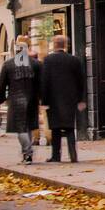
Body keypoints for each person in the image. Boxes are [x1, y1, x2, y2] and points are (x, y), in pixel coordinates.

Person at [39, 35, 84, 163]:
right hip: (70, 99)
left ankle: (56, 155)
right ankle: (73, 155)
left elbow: (45, 82)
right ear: (65, 45)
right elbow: (80, 81)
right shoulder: (74, 60)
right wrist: (80, 99)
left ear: (54, 45)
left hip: (53, 100)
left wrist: (44, 101)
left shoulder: (48, 60)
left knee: (55, 129)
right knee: (69, 128)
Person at [0, 39, 42, 163]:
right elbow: (41, 83)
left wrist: (1, 99)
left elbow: (0, 85)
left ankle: (28, 153)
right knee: (27, 126)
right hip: (32, 99)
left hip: (16, 100)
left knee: (21, 128)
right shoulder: (35, 64)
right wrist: (42, 98)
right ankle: (26, 153)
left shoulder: (8, 64)